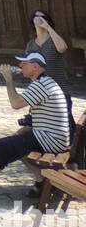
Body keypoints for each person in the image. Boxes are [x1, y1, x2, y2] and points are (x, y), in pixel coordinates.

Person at [0, 50, 70, 199]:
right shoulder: (44, 82)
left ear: (35, 67)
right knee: (17, 141)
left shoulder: (41, 85)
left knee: (2, 147)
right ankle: (41, 182)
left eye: (25, 63)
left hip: (51, 140)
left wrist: (9, 80)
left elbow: (16, 103)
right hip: (53, 138)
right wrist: (21, 133)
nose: (20, 65)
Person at [24, 9, 75, 138]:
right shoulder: (31, 45)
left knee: (66, 127)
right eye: (36, 17)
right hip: (39, 92)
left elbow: (62, 47)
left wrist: (47, 27)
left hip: (59, 90)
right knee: (39, 126)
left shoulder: (54, 40)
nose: (39, 19)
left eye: (43, 17)